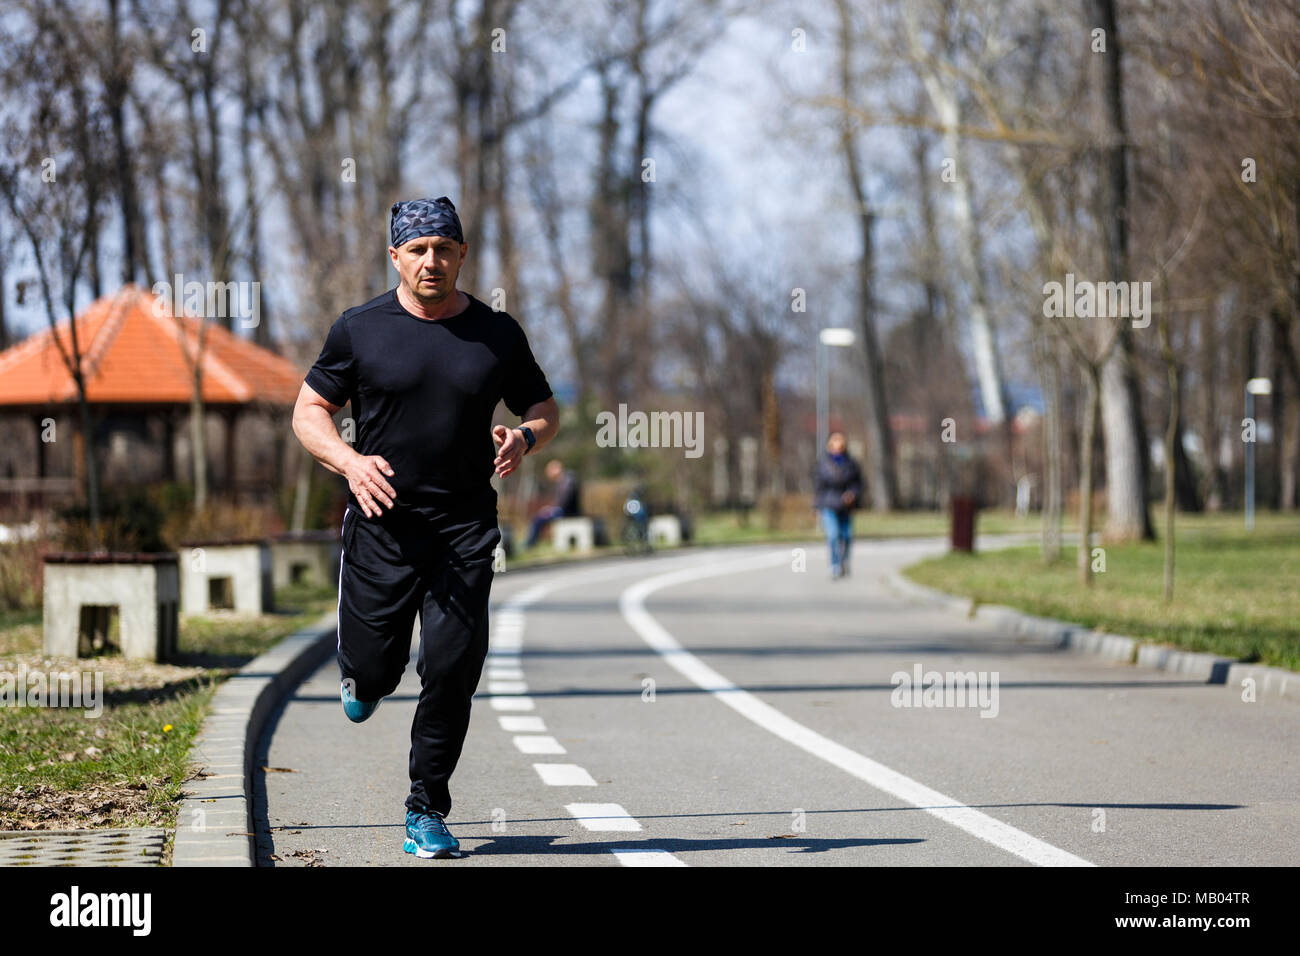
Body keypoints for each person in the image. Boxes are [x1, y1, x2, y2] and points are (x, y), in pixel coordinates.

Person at [292, 196, 559, 860]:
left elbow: (546, 407)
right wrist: (350, 464)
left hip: (465, 528)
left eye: (444, 248)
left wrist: (525, 437)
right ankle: (364, 675)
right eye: (417, 250)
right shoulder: (359, 330)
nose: (431, 260)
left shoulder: (498, 334)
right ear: (396, 258)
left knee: (451, 667)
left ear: (463, 255)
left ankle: (426, 808)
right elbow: (308, 412)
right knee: (376, 674)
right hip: (383, 526)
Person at [813, 431, 863, 579]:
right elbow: (818, 487)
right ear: (830, 446)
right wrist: (815, 506)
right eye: (835, 444)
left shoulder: (851, 464)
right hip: (829, 505)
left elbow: (858, 484)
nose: (838, 447)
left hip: (846, 506)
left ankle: (844, 561)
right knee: (833, 535)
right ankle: (834, 565)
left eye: (840, 444)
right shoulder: (823, 464)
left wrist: (852, 494)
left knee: (847, 536)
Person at [524, 458, 581, 548]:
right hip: (564, 510)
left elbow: (565, 502)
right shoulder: (564, 480)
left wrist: (552, 510)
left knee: (538, 519)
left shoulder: (567, 481)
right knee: (540, 517)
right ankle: (531, 542)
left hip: (567, 512)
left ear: (556, 469)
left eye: (549, 471)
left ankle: (530, 544)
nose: (548, 475)